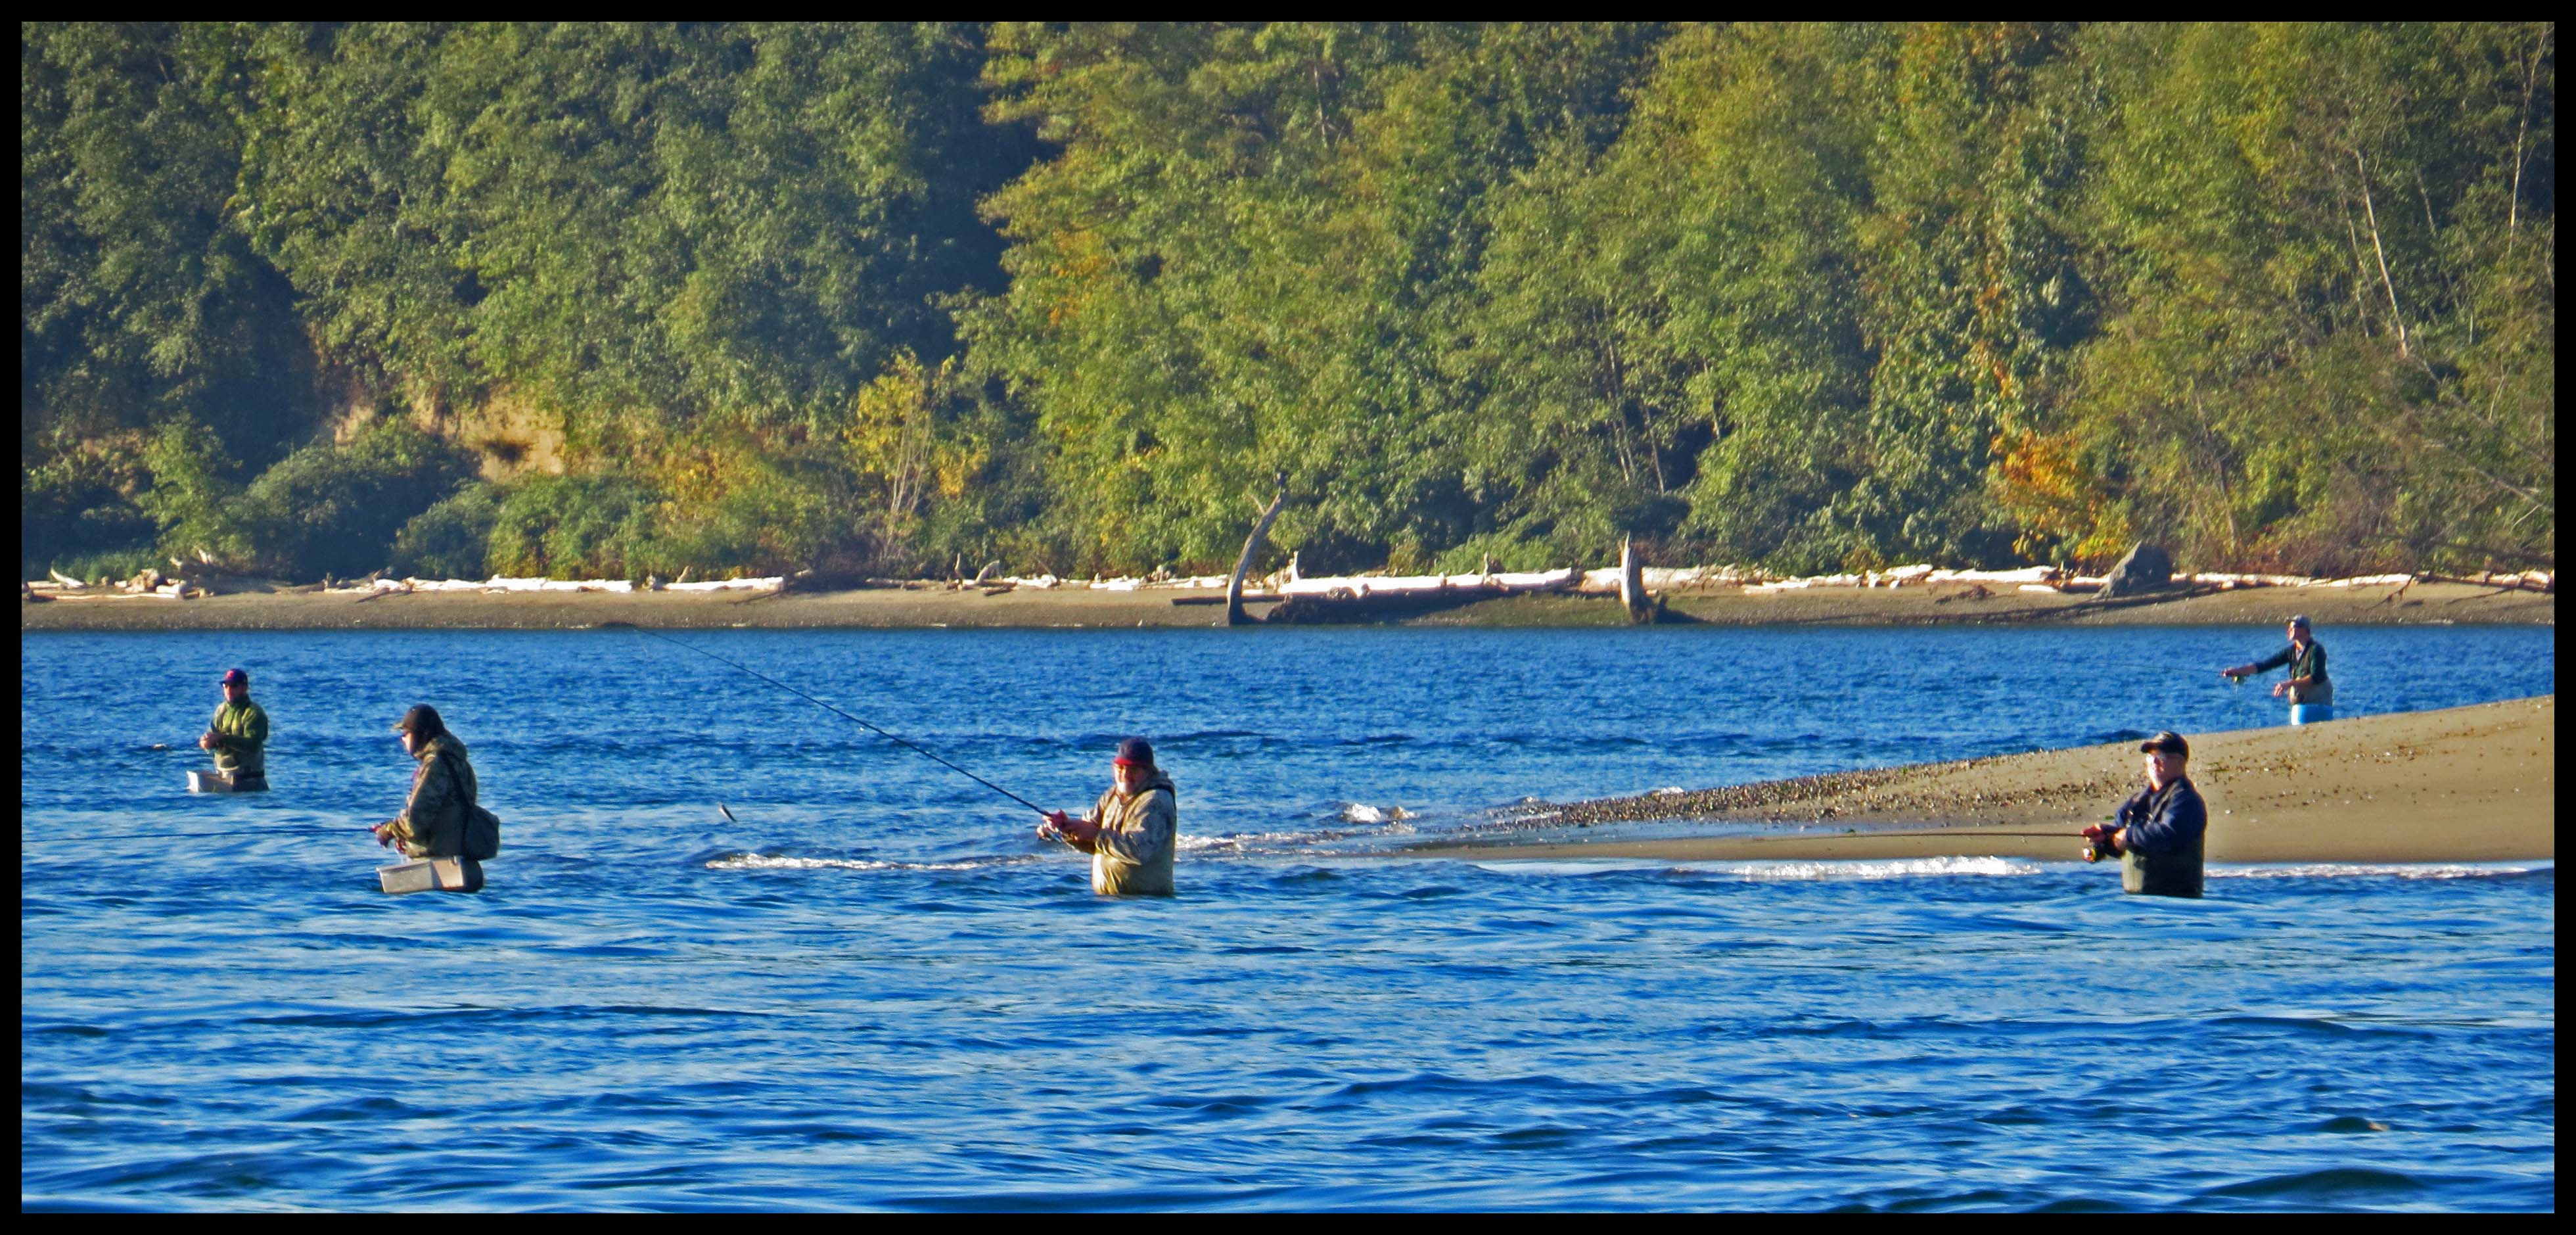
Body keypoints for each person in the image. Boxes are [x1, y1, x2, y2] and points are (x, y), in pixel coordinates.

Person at [1038, 737, 1177, 897]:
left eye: (1133, 770)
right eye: (1120, 768)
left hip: (1146, 906)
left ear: (1148, 772)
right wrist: (1065, 827)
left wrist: (1096, 835)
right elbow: (1091, 836)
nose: (1125, 775)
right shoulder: (1112, 794)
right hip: (1109, 905)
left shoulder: (1156, 800)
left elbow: (1140, 851)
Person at [2081, 731, 2208, 898]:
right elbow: (2123, 838)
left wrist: (2128, 835)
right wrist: (2104, 840)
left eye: (2161, 756)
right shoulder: (2136, 802)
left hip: (2177, 904)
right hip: (2136, 904)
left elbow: (2168, 835)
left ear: (2180, 762)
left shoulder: (2186, 800)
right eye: (2150, 756)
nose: (2154, 761)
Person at [373, 705, 480, 858]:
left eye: (405, 733)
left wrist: (388, 830)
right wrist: (405, 837)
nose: (402, 739)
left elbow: (414, 823)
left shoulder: (435, 764)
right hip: (463, 861)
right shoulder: (459, 761)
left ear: (420, 734)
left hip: (440, 867)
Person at [2224, 615, 2333, 723]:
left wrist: (2289, 683)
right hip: (2301, 705)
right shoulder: (2291, 651)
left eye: (2293, 627)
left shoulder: (2316, 650)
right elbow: (2265, 665)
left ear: (2304, 629)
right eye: (2288, 628)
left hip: (2319, 703)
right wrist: (2238, 671)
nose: (2289, 630)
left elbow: (2317, 677)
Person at [196, 668, 269, 791]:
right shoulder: (221, 711)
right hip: (223, 780)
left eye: (234, 686)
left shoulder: (254, 713)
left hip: (249, 783)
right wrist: (206, 743)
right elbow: (213, 737)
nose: (229, 690)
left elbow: (253, 745)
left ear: (244, 688)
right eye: (226, 686)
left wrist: (223, 738)